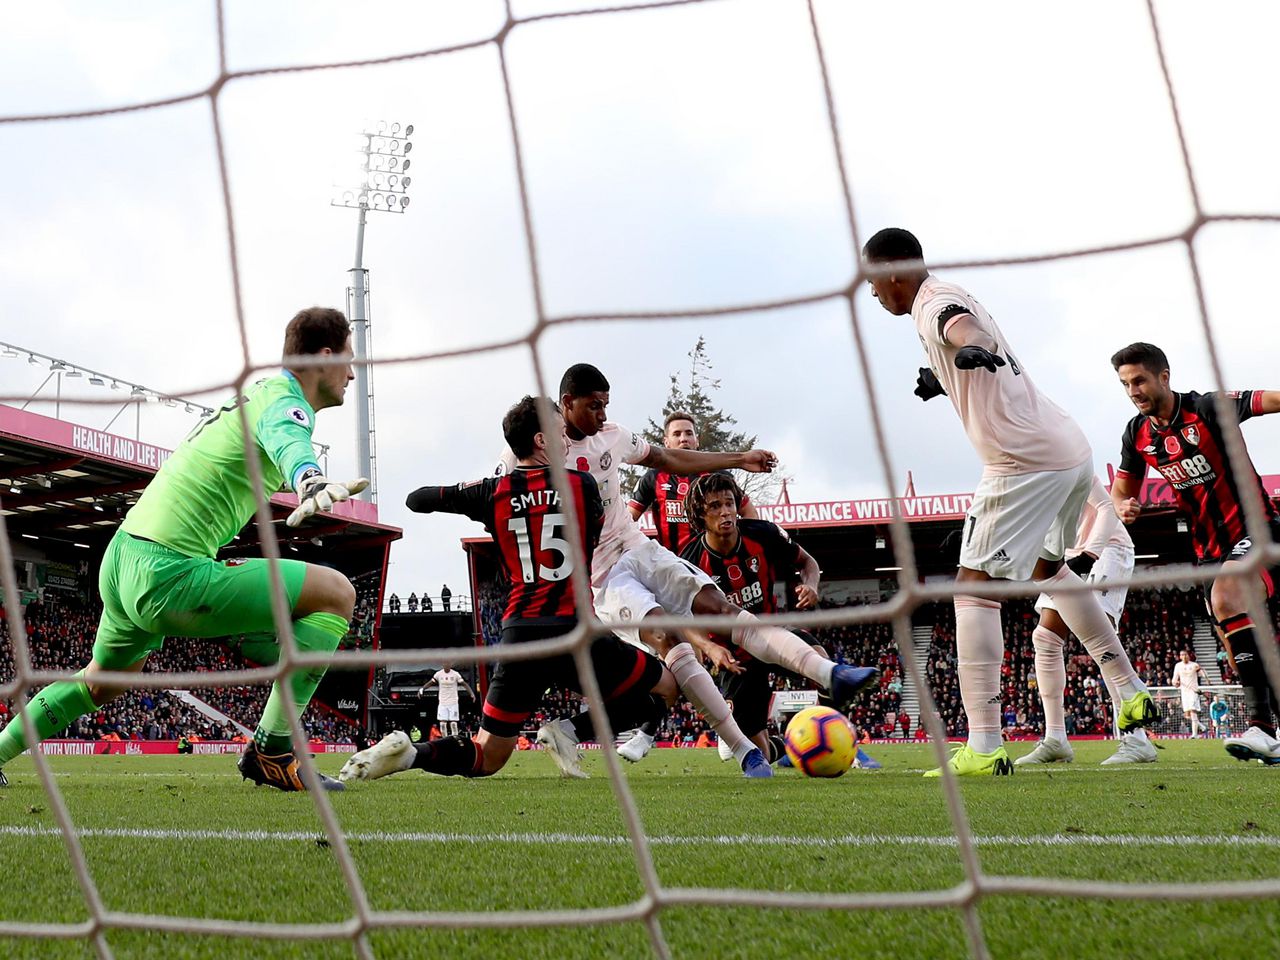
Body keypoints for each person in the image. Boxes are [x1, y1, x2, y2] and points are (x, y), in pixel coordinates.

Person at [0, 307, 364, 792]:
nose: (353, 373)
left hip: (124, 557)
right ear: (325, 355)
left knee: (100, 682)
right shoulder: (282, 400)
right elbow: (288, 437)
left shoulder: (254, 396)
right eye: (350, 359)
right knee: (337, 594)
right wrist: (309, 477)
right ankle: (273, 751)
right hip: (167, 571)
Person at [863, 228, 1156, 778]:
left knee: (972, 589)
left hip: (1022, 460)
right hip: (1067, 450)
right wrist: (946, 376)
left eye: (874, 285)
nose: (874, 296)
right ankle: (1129, 687)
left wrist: (971, 347)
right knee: (1049, 569)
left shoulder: (934, 305)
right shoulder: (951, 293)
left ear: (892, 273)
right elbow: (967, 342)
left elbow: (963, 330)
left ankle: (983, 742)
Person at [518, 364, 876, 777]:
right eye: (593, 407)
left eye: (605, 406)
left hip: (638, 547)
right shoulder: (539, 450)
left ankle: (831, 674)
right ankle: (746, 752)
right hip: (602, 575)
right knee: (668, 638)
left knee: (718, 607)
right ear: (567, 404)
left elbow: (668, 457)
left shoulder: (613, 436)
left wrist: (740, 458)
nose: (601, 415)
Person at [339, 396, 678, 784]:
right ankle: (569, 731)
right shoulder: (581, 485)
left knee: (487, 757)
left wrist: (477, 495)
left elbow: (417, 500)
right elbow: (594, 535)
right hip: (574, 630)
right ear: (540, 440)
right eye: (558, 430)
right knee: (665, 687)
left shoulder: (493, 492)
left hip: (521, 635)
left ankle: (412, 754)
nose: (567, 438)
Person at [1110, 342, 1280, 762]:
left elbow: (1268, 399)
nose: (1133, 390)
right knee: (1238, 639)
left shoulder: (1206, 408)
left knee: (1227, 596)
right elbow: (1122, 488)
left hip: (1256, 530)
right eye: (1125, 384)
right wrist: (1122, 505)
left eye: (1139, 380)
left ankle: (1260, 727)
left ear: (1163, 377)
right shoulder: (1138, 433)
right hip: (1207, 550)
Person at [678, 472, 866, 764]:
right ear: (700, 515)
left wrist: (811, 585)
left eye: (729, 503)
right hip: (734, 657)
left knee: (820, 658)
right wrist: (710, 647)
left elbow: (808, 562)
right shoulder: (689, 560)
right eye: (715, 506)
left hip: (771, 634)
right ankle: (786, 747)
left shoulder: (762, 533)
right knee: (759, 755)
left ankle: (840, 737)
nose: (726, 511)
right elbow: (681, 618)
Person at [1016, 476, 1157, 766]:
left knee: (1098, 637)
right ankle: (1056, 739)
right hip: (1065, 556)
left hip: (1106, 548)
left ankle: (1136, 739)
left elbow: (1106, 508)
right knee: (1044, 638)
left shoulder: (1063, 454)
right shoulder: (1017, 472)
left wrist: (1089, 555)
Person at [628, 411, 758, 554]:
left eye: (689, 433)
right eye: (677, 434)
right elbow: (627, 520)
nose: (684, 439)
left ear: (697, 440)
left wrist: (741, 547)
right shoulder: (652, 478)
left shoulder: (719, 476)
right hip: (673, 565)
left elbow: (749, 512)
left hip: (714, 564)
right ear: (666, 442)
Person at [419, 662, 474, 738]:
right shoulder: (438, 674)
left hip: (453, 702)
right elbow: (431, 683)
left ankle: (455, 740)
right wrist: (422, 689)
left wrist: (471, 693)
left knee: (453, 724)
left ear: (450, 665)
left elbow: (464, 684)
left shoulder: (455, 674)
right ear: (443, 665)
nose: (446, 666)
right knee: (442, 724)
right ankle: (445, 740)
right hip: (442, 703)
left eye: (448, 664)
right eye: (445, 664)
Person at [1171, 650, 1207, 738]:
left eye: (1185, 654)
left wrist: (1205, 676)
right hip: (1184, 692)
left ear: (1188, 656)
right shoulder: (1178, 666)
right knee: (1187, 715)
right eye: (1182, 655)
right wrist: (1175, 683)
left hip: (1193, 691)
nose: (1184, 656)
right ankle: (1202, 726)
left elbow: (1202, 674)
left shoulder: (1194, 665)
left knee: (1193, 711)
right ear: (1180, 657)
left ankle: (1195, 734)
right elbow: (1174, 680)